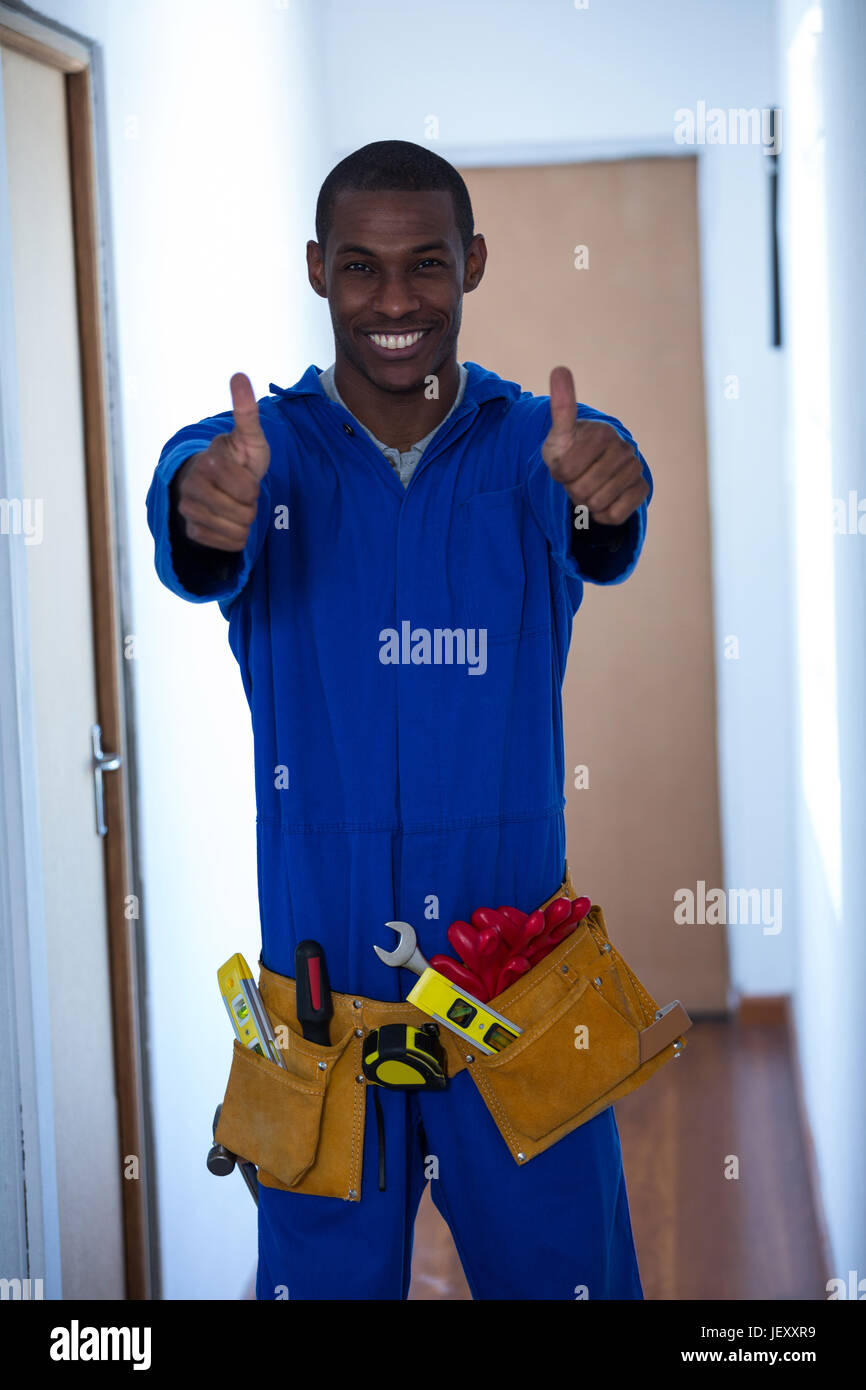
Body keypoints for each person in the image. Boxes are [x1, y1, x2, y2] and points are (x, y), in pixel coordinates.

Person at [146, 139, 652, 1300]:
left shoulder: (538, 451)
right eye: (361, 267)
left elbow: (603, 513)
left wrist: (611, 491)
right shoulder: (262, 461)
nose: (392, 301)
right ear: (317, 269)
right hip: (320, 1022)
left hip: (523, 1005)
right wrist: (196, 497)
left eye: (424, 264)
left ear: (471, 263)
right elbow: (194, 504)